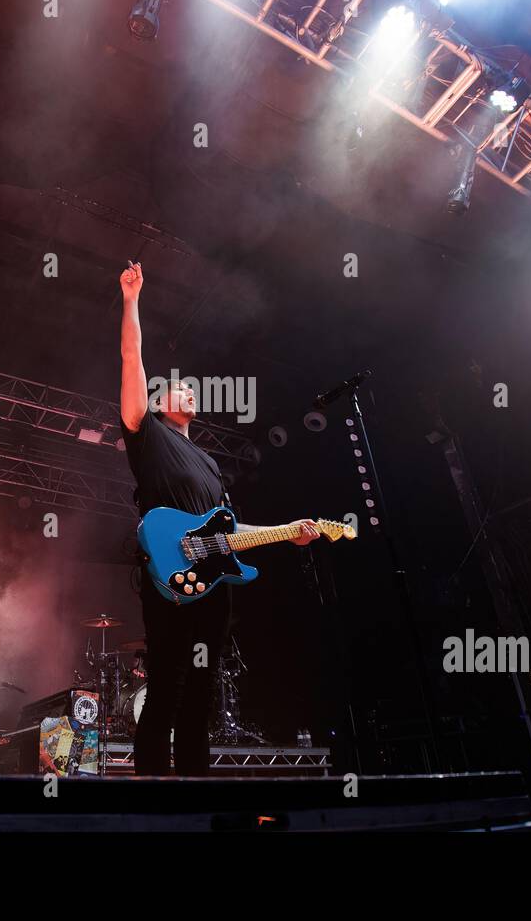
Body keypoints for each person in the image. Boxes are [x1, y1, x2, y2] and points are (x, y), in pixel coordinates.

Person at [118, 260, 319, 775]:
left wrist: (287, 534)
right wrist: (132, 301)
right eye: (177, 387)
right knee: (167, 683)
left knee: (203, 688)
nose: (189, 391)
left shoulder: (208, 461)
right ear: (159, 403)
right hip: (170, 574)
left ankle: (194, 789)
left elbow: (230, 532)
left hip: (214, 584)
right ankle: (149, 790)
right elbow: (132, 355)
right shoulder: (148, 434)